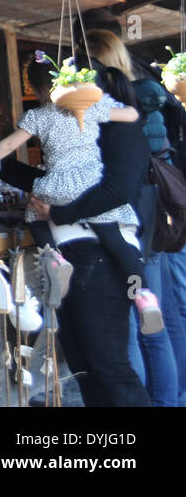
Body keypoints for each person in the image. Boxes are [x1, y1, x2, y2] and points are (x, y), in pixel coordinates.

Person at [0, 63, 152, 406]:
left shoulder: (116, 126)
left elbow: (116, 191)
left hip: (97, 253)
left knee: (108, 364)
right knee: (84, 364)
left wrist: (57, 212)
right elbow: (45, 183)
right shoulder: (63, 122)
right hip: (67, 252)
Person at [85, 30, 178, 405]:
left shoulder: (117, 113)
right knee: (155, 319)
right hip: (149, 217)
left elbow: (116, 185)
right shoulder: (145, 97)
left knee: (135, 328)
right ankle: (169, 401)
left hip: (130, 227)